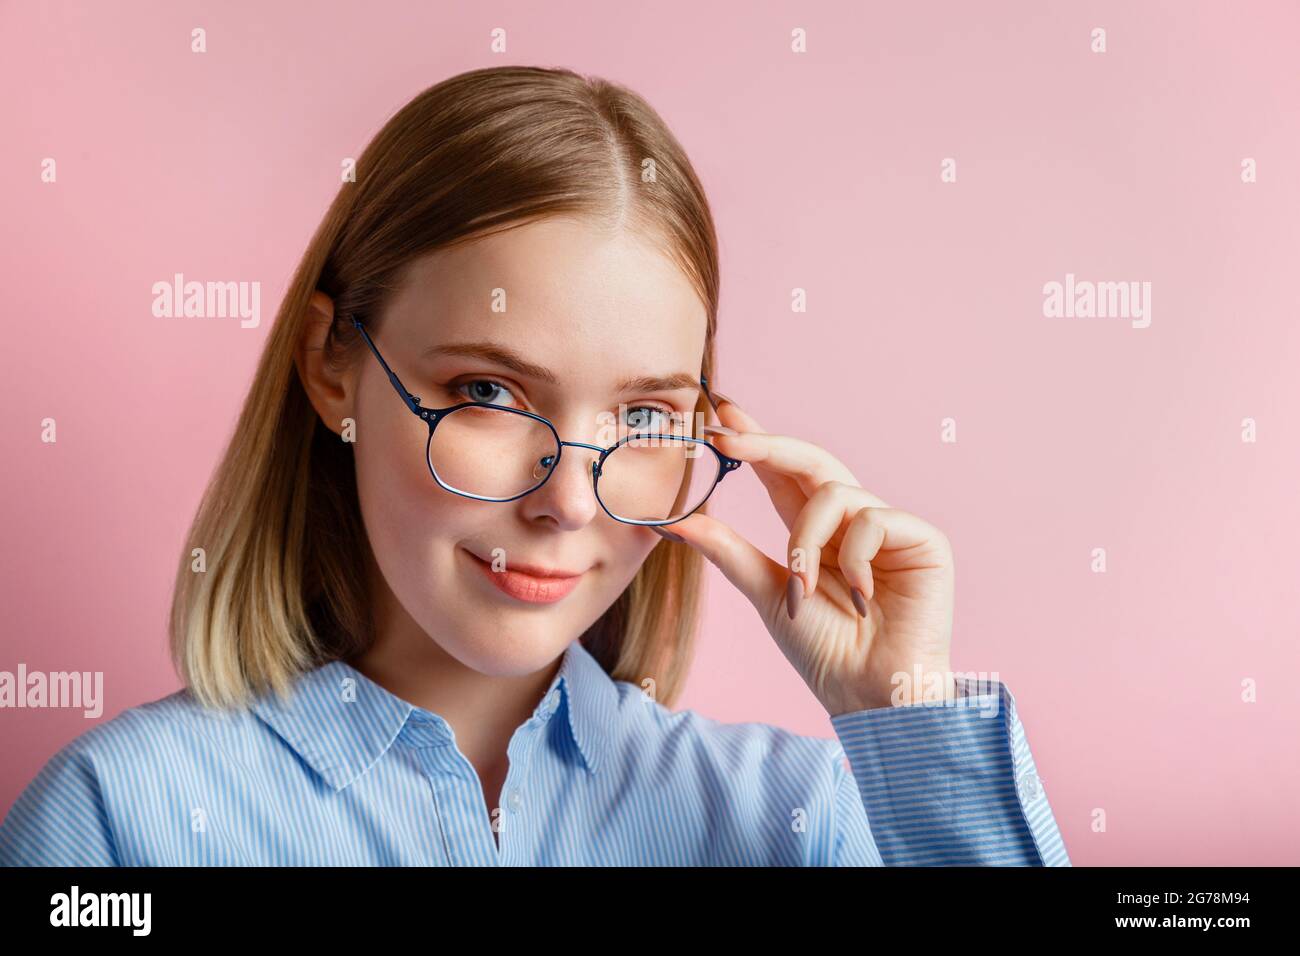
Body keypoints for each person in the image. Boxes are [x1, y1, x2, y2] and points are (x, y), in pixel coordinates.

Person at [0, 65, 1069, 866]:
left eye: (645, 415)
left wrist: (902, 709)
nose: (565, 501)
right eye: (488, 393)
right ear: (333, 368)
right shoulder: (118, 821)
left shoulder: (793, 816)